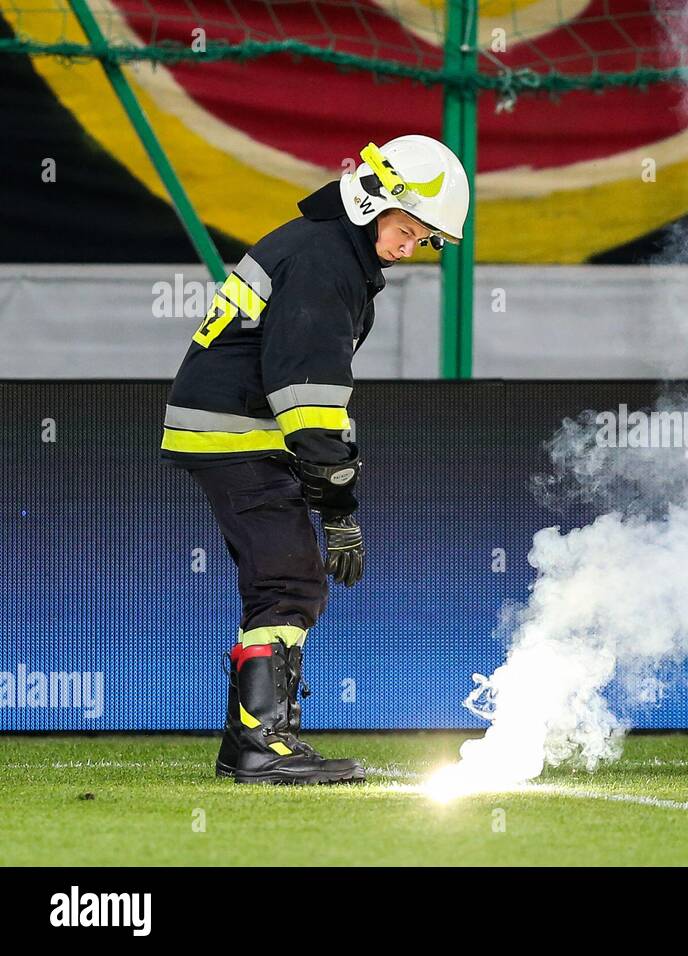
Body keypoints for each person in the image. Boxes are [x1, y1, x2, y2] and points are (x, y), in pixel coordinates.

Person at [160, 135, 469, 784]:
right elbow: (306, 396)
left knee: (283, 579)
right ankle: (261, 749)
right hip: (236, 431)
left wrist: (330, 492)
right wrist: (338, 508)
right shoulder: (327, 262)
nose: (414, 247)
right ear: (374, 201)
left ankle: (250, 743)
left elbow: (303, 395)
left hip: (232, 428)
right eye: (409, 228)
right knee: (291, 580)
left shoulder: (321, 246)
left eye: (427, 239)